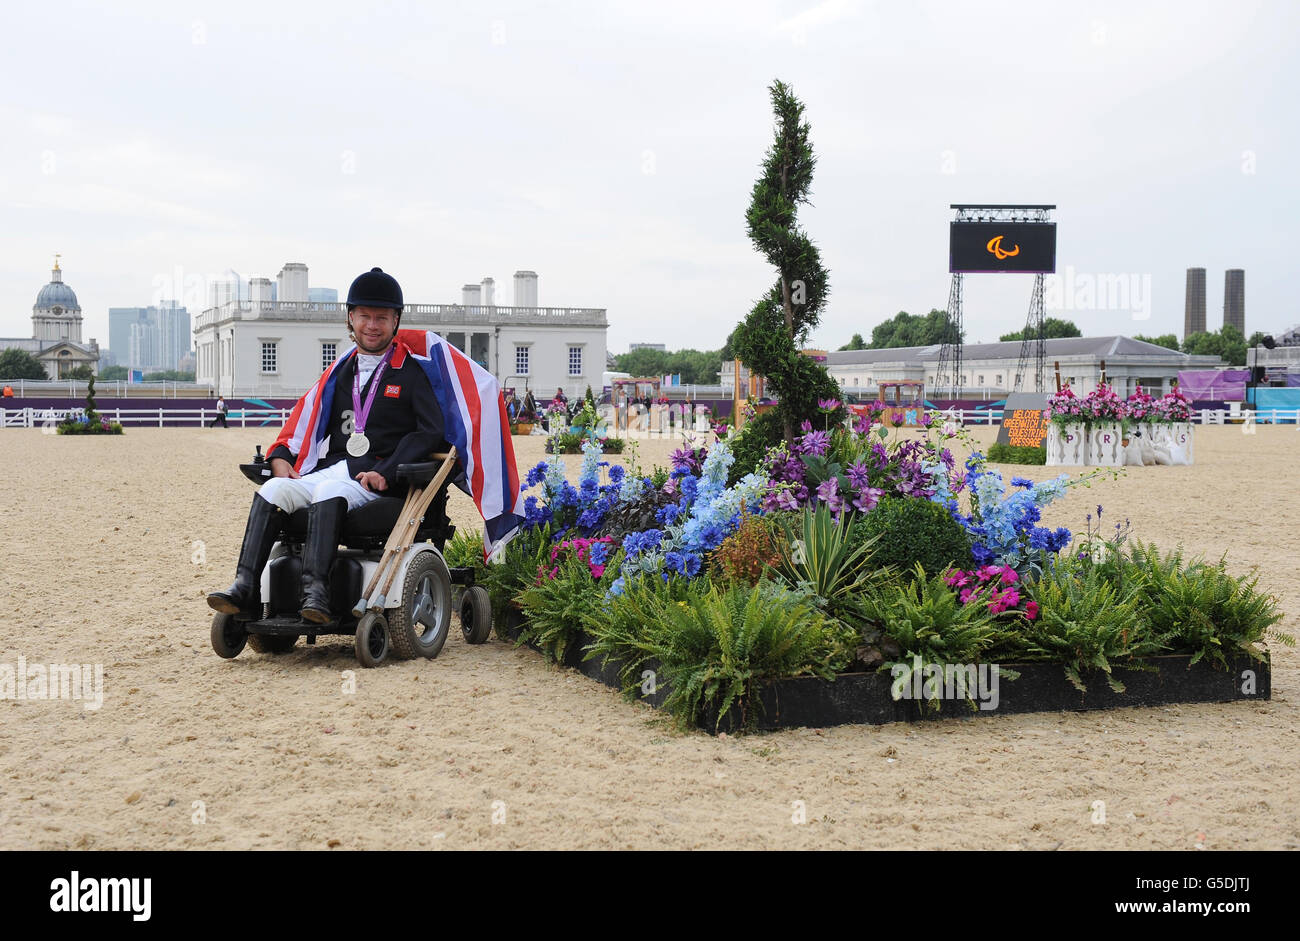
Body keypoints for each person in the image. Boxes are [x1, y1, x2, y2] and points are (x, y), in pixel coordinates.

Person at [208, 267, 446, 624]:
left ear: (396, 321)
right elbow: (305, 420)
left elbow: (431, 433)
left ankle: (315, 592)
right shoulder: (339, 372)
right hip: (333, 470)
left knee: (331, 487)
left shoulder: (412, 373)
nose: (372, 325)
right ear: (350, 318)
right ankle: (245, 587)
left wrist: (386, 471)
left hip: (377, 482)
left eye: (381, 317)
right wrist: (280, 455)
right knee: (275, 489)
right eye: (364, 316)